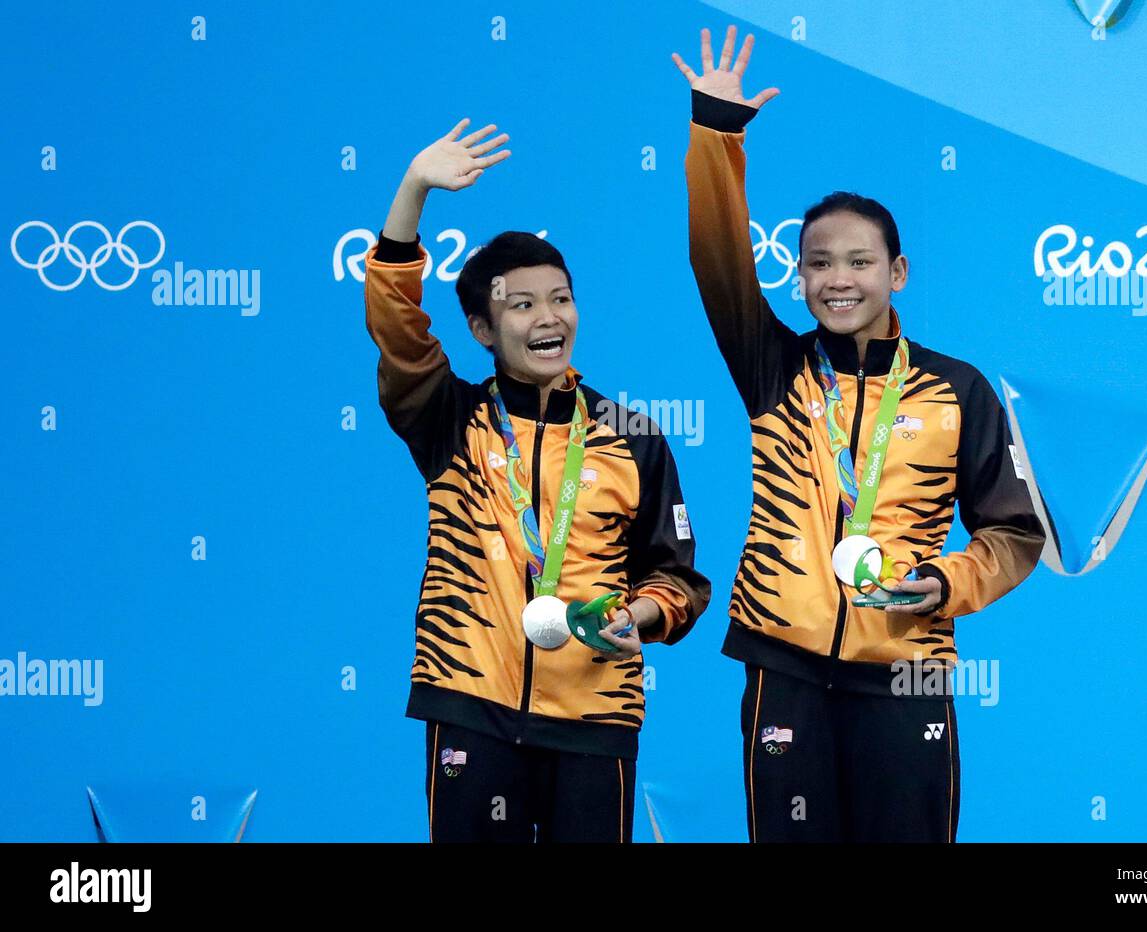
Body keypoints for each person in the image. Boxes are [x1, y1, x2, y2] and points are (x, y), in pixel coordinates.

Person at [674, 26, 1045, 842]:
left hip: (909, 671)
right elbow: (716, 261)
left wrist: (947, 583)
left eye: (859, 262)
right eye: (817, 263)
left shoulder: (958, 388)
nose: (838, 279)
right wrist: (715, 131)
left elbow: (1015, 533)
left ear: (896, 272)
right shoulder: (772, 366)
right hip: (786, 668)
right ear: (798, 274)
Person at [364, 118, 710, 842]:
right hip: (470, 707)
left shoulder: (634, 437)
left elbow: (677, 581)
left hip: (595, 720)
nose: (549, 318)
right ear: (483, 330)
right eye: (521, 305)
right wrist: (413, 190)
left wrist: (638, 617)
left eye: (560, 298)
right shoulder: (448, 418)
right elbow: (397, 329)